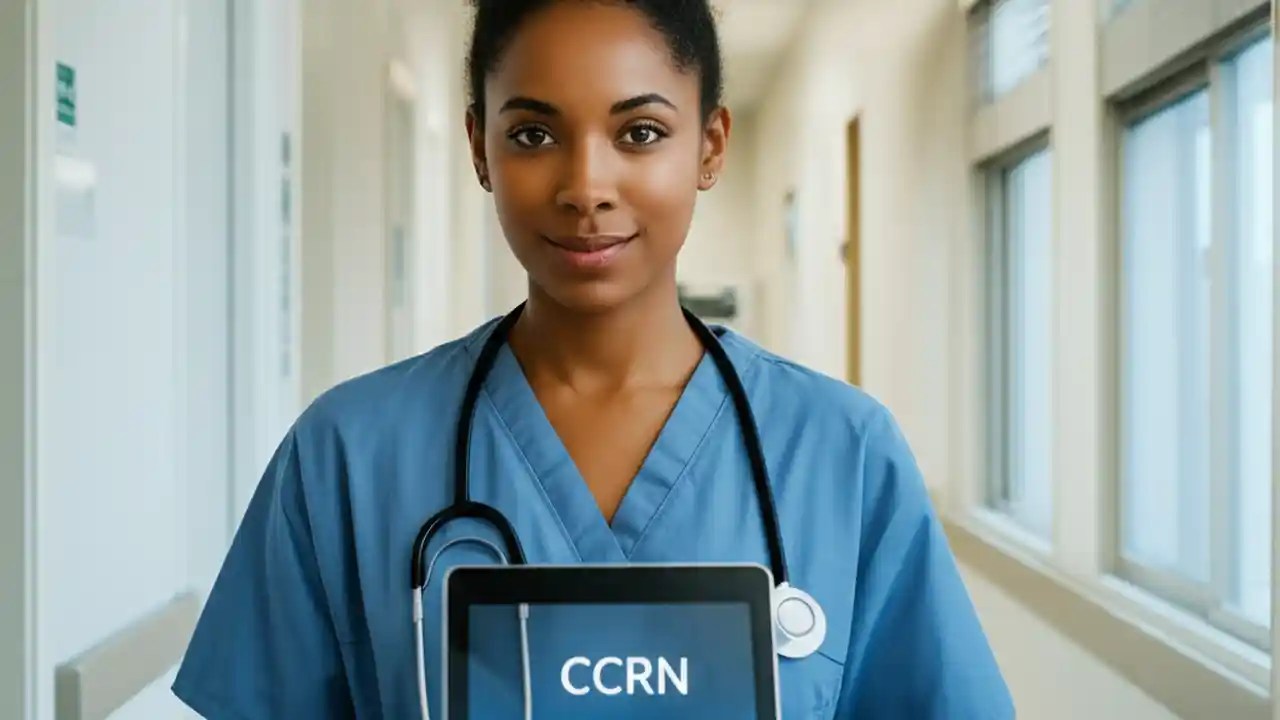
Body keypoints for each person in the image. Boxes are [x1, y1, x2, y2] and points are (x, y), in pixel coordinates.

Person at [172, 0, 1014, 717]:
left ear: (710, 146)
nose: (585, 186)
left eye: (640, 132)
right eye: (534, 133)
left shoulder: (842, 453)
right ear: (480, 148)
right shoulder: (348, 456)